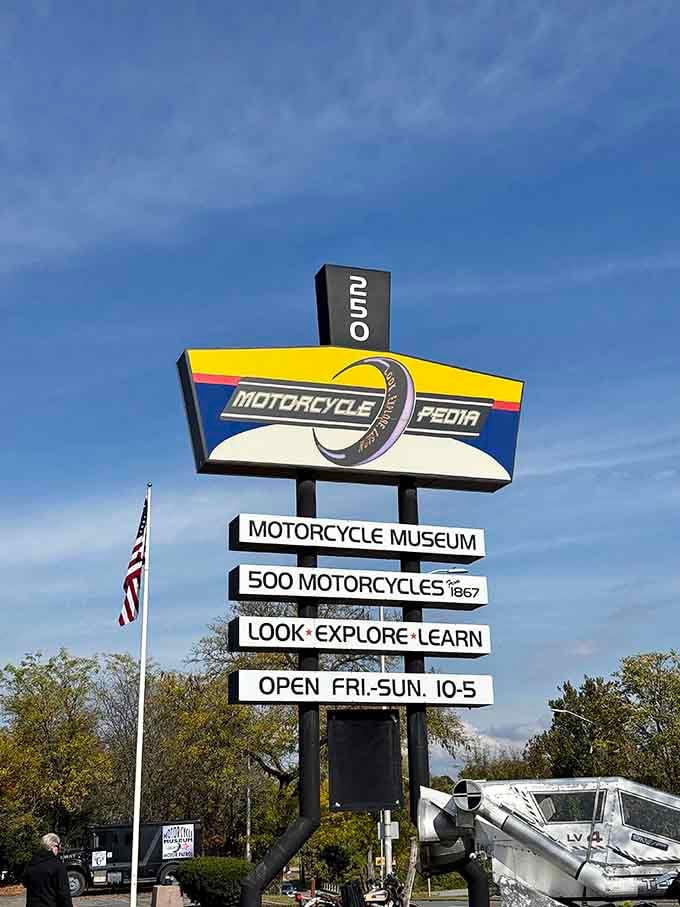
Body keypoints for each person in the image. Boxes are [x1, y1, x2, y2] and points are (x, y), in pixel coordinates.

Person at [23, 834, 73, 907]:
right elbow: (64, 894)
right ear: (53, 846)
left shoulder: (31, 863)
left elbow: (25, 883)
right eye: (58, 846)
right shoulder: (57, 865)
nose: (59, 850)